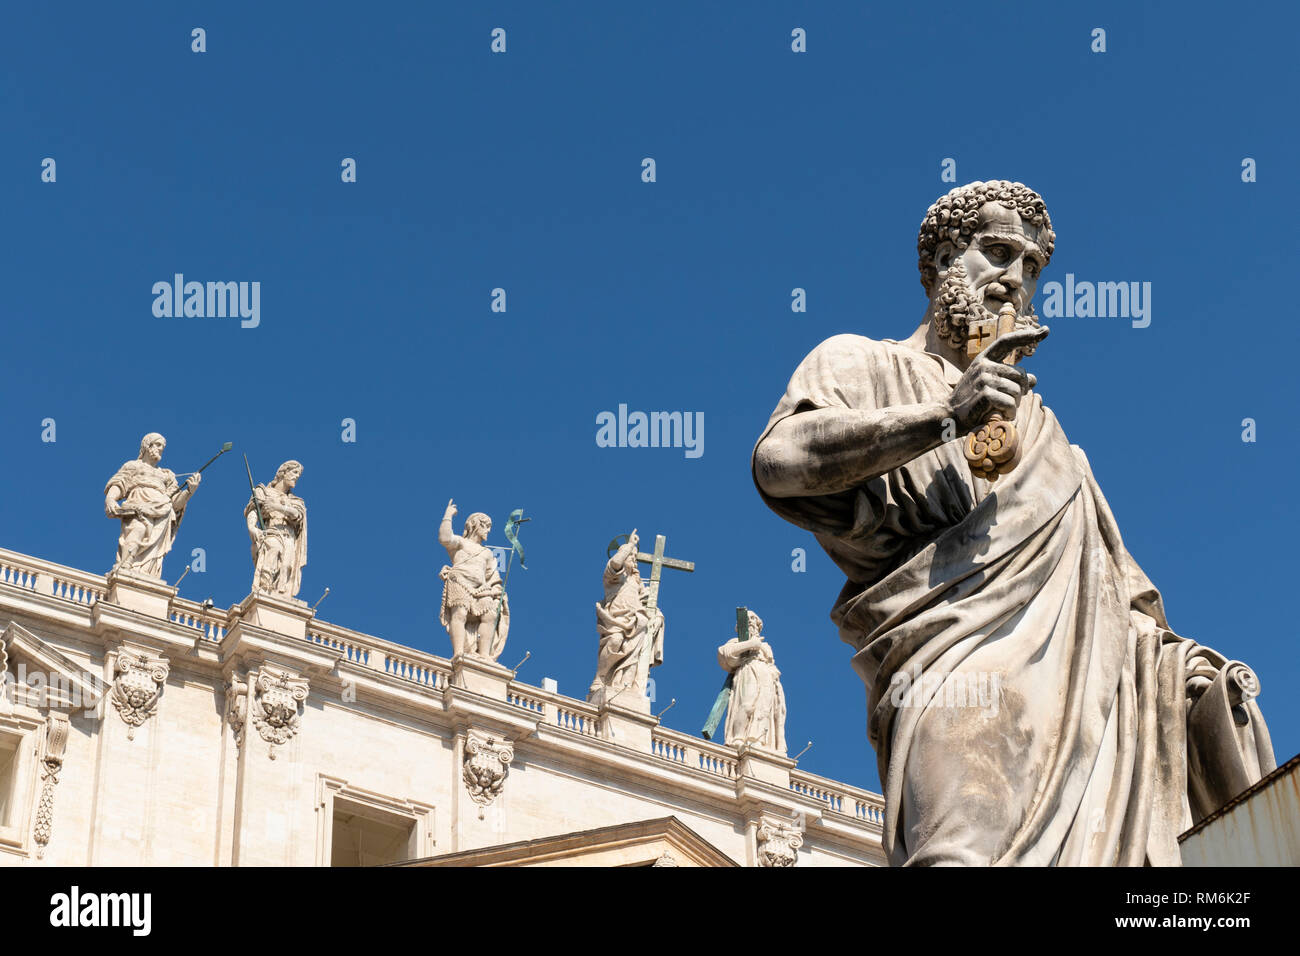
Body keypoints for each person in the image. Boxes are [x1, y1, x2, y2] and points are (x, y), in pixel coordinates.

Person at [752, 180, 1274, 866]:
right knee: (955, 853)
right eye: (996, 252)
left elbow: (1117, 592)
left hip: (1083, 702)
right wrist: (943, 418)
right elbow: (779, 463)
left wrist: (1180, 677)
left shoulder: (1047, 432)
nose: (1014, 279)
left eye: (1031, 267)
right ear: (941, 261)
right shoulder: (861, 361)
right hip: (948, 665)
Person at [104, 432, 199, 578]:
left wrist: (189, 492)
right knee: (137, 530)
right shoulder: (133, 466)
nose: (161, 449)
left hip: (162, 511)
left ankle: (146, 575)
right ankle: (125, 568)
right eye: (159, 445)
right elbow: (119, 483)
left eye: (163, 446)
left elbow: (175, 503)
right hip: (138, 505)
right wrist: (110, 499)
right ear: (148, 445)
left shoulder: (167, 475)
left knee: (153, 550)